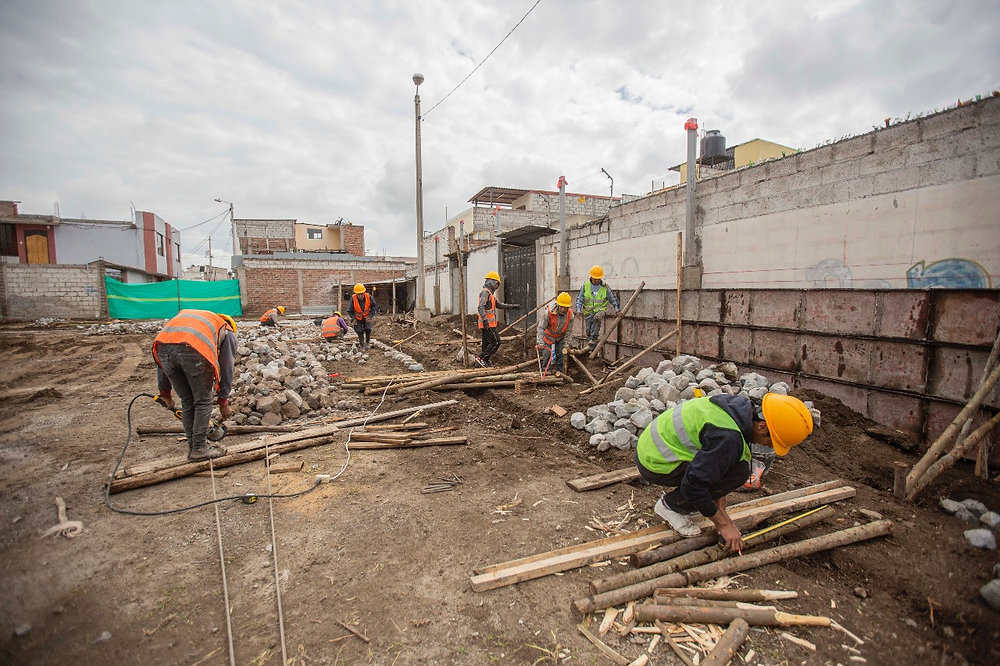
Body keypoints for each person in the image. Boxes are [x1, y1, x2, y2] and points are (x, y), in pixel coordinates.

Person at [635, 393, 814, 552]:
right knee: (737, 472)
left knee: (737, 466)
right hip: (657, 461)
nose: (771, 447)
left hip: (656, 445)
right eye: (773, 442)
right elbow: (694, 485)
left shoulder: (740, 409)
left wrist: (718, 500)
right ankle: (671, 506)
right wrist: (724, 523)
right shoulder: (728, 437)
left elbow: (717, 456)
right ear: (761, 427)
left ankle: (688, 503)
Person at [152, 310, 238, 461]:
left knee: (187, 401)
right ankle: (199, 448)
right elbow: (226, 366)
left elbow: (163, 353)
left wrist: (165, 392)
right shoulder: (226, 331)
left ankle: (193, 448)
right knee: (203, 401)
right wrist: (223, 401)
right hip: (192, 350)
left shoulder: (196, 321)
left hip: (163, 348)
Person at [475, 271, 517, 367]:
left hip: (488, 324)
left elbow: (499, 305)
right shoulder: (485, 293)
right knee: (496, 342)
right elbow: (481, 307)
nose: (497, 286)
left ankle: (484, 361)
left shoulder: (490, 294)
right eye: (497, 283)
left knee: (486, 343)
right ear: (492, 282)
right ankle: (482, 358)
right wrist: (485, 320)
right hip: (487, 324)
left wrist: (512, 306)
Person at [575, 265, 620, 352]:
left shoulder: (605, 287)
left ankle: (594, 339)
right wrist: (578, 310)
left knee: (597, 318)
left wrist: (617, 310)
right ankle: (592, 350)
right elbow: (579, 299)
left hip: (600, 311)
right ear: (591, 276)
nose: (596, 280)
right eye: (595, 278)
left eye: (598, 279)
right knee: (588, 332)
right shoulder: (585, 286)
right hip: (588, 313)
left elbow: (613, 299)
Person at [536, 292, 573, 374]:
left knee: (561, 354)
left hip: (560, 337)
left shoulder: (570, 315)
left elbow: (569, 332)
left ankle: (561, 372)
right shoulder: (548, 313)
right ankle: (546, 372)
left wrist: (567, 344)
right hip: (548, 337)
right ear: (557, 305)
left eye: (566, 307)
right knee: (547, 355)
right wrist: (540, 342)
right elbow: (541, 327)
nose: (563, 309)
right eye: (562, 307)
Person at [346, 283, 376, 350]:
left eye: (362, 294)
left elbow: (374, 306)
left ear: (364, 292)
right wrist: (353, 319)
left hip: (367, 317)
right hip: (358, 318)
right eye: (359, 294)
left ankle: (367, 342)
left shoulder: (369, 297)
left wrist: (370, 316)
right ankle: (362, 344)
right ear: (356, 294)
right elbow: (349, 310)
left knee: (368, 329)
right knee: (359, 330)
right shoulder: (353, 299)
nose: (360, 296)